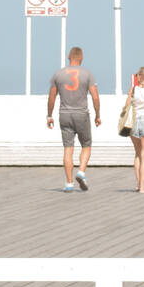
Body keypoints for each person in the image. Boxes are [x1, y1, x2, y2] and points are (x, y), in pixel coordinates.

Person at [46, 46, 101, 192]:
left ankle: (69, 183)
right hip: (81, 114)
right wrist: (98, 115)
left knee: (68, 149)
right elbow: (95, 96)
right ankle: (81, 172)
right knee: (86, 145)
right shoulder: (88, 74)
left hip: (64, 114)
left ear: (69, 57)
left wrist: (49, 115)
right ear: (81, 58)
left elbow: (52, 97)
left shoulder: (58, 74)